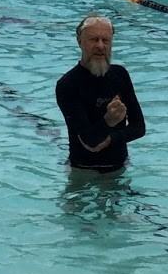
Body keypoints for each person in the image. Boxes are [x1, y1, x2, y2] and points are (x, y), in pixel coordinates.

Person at [54, 15, 147, 174]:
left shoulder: (120, 75)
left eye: (105, 40)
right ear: (79, 41)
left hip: (119, 167)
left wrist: (111, 139)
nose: (100, 46)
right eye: (93, 39)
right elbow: (90, 140)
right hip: (83, 170)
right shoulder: (68, 84)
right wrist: (109, 121)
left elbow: (139, 127)